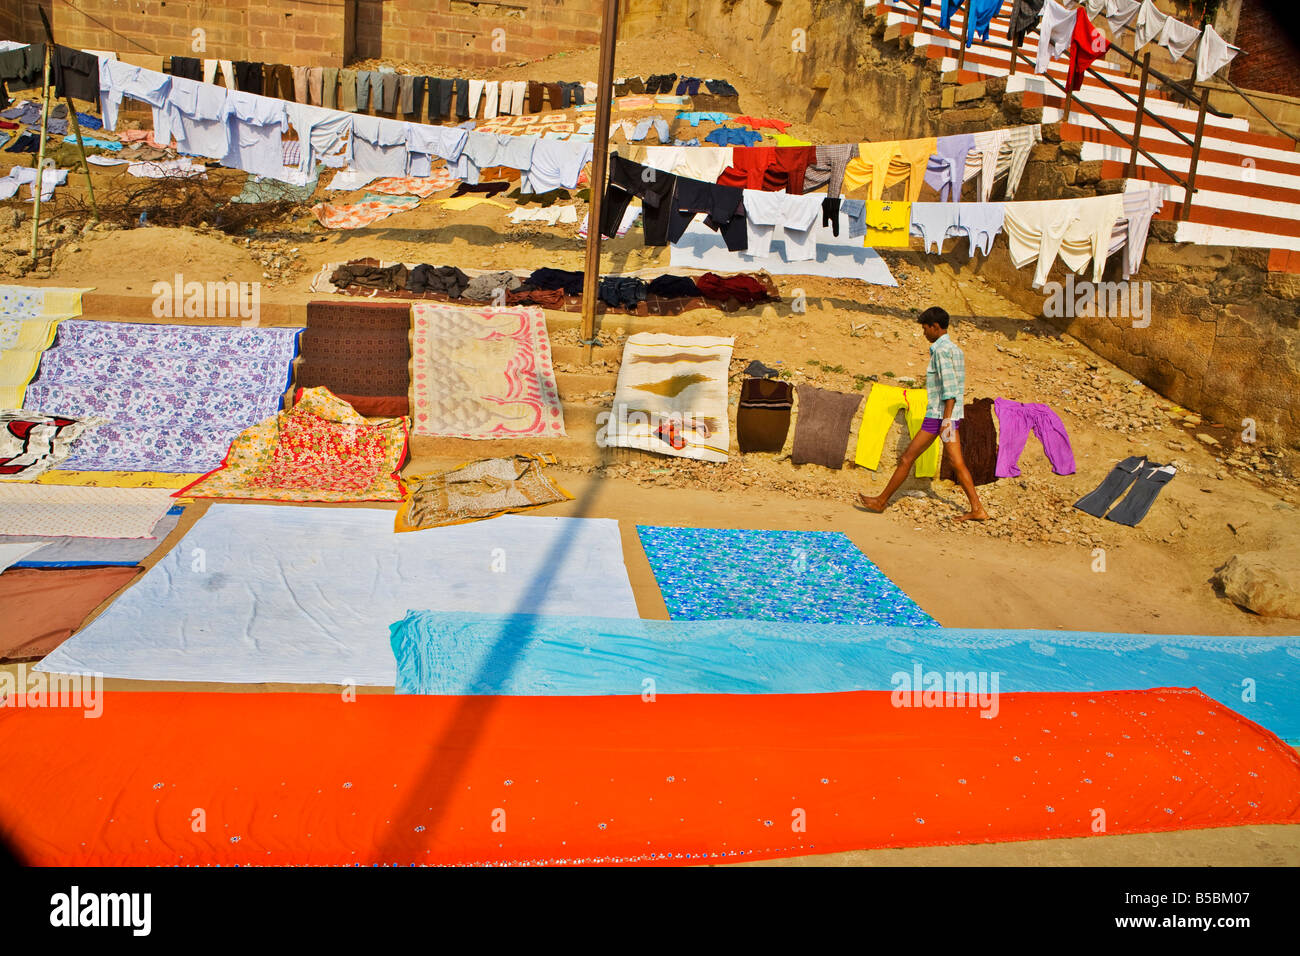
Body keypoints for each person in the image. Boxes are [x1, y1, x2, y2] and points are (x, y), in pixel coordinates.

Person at [858, 307, 989, 522]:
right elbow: (956, 387)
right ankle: (977, 509)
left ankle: (881, 501)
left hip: (939, 417)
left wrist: (945, 420)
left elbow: (949, 388)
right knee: (957, 462)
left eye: (925, 328)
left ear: (935, 327)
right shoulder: (956, 350)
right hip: (949, 416)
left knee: (907, 458)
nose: (924, 333)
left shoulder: (941, 351)